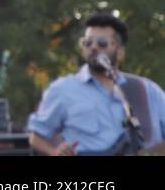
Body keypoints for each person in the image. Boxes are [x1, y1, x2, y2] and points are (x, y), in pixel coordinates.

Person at [27, 13, 165, 156]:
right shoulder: (62, 89)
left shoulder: (147, 90)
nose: (93, 47)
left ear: (120, 52)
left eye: (102, 43)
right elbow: (36, 136)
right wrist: (55, 152)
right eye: (87, 42)